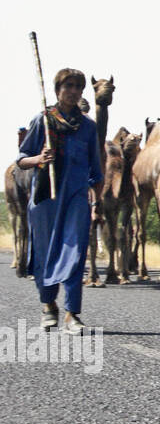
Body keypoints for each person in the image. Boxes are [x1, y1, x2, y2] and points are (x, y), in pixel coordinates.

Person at [15, 68, 103, 333]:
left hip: (76, 197)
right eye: (69, 86)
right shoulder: (42, 121)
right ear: (57, 90)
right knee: (44, 254)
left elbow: (96, 171)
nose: (74, 91)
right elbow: (21, 159)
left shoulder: (88, 127)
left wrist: (95, 202)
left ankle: (72, 314)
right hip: (45, 199)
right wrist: (39, 159)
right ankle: (48, 305)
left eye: (78, 87)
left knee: (75, 253)